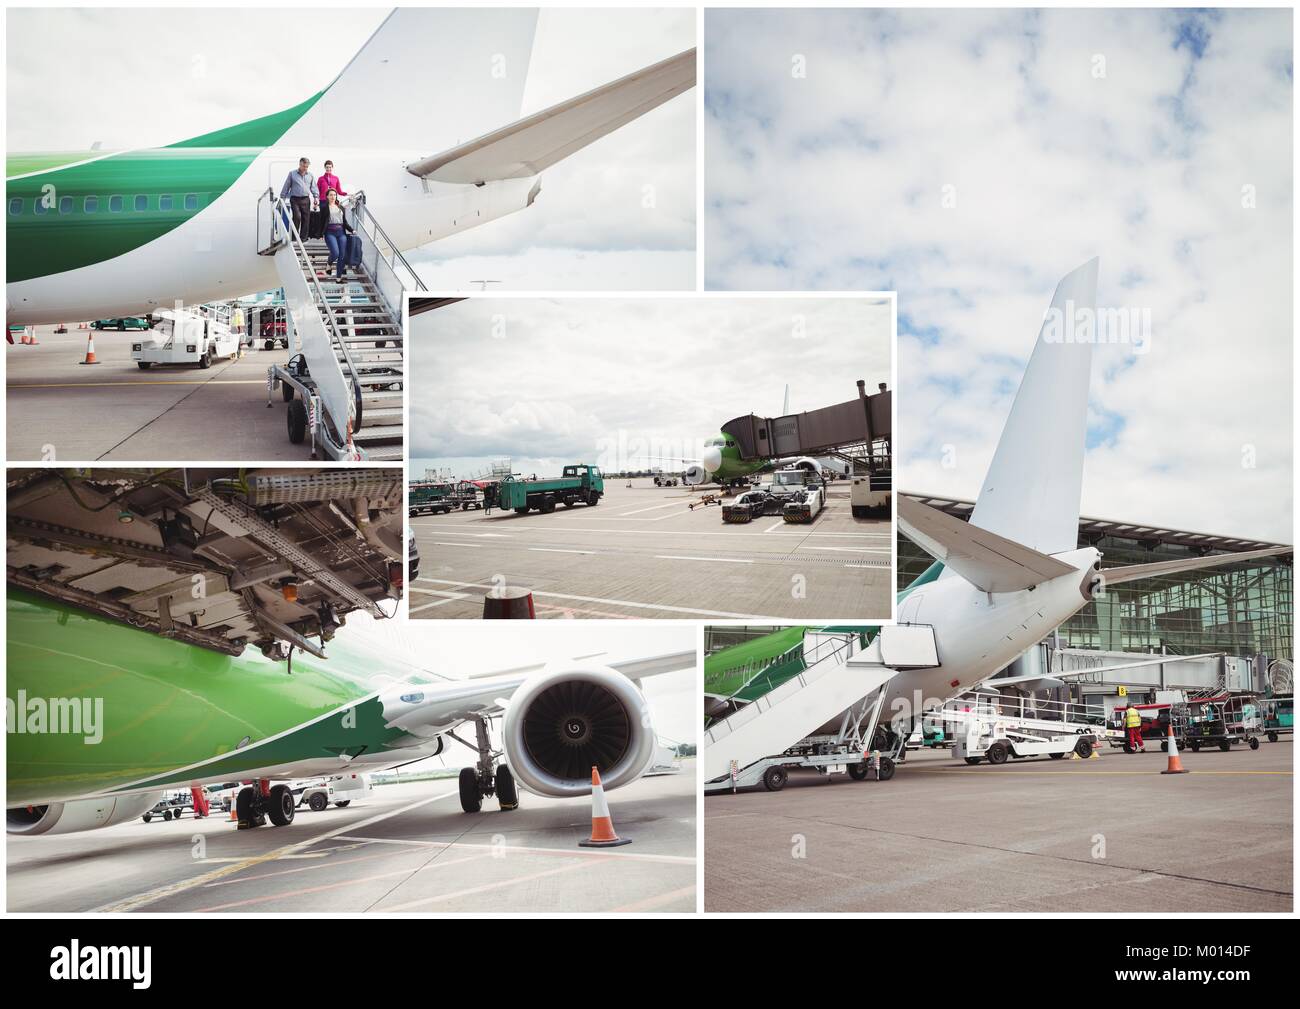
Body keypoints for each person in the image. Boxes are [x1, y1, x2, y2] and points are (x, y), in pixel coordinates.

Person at [320, 189, 355, 280]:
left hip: (341, 233)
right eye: (330, 195)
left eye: (334, 195)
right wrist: (320, 234)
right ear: (327, 196)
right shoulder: (324, 208)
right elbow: (321, 222)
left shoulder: (341, 207)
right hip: (330, 233)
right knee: (335, 253)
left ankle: (338, 278)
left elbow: (345, 222)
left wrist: (352, 230)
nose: (332, 197)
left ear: (336, 196)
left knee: (342, 256)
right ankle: (329, 263)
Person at [279, 157, 317, 238]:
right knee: (297, 216)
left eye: (307, 167)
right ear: (300, 164)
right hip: (295, 199)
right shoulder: (292, 174)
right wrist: (282, 197)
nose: (305, 168)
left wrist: (316, 197)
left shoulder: (310, 175)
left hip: (306, 199)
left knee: (306, 218)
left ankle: (303, 238)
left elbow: (313, 187)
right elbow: (287, 186)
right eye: (304, 166)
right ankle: (294, 236)